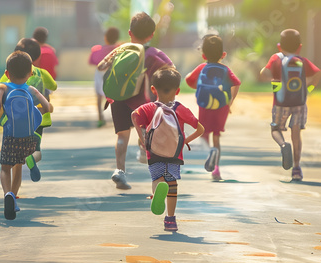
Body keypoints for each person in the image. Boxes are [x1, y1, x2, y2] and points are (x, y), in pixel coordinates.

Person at [96, 12, 174, 190]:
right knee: (145, 129)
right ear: (151, 35)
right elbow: (172, 69)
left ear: (130, 32)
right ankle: (143, 149)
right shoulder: (154, 53)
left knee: (122, 136)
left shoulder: (122, 49)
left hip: (117, 98)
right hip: (143, 100)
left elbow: (101, 66)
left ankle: (119, 170)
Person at [131, 67, 204, 232]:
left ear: (153, 89)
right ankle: (170, 219)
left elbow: (134, 116)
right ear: (177, 90)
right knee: (172, 184)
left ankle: (157, 190)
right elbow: (200, 129)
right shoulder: (180, 109)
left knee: (157, 177)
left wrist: (142, 138)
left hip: (154, 151)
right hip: (174, 152)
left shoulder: (149, 107)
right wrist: (185, 141)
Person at [0, 51, 53, 220]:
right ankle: (15, 197)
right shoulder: (31, 89)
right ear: (30, 74)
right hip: (27, 136)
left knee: (5, 167)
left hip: (10, 136)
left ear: (6, 73)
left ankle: (7, 194)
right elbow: (48, 107)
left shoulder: (3, 87)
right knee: (19, 165)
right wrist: (38, 109)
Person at [259, 28, 321, 182]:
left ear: (279, 46)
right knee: (296, 134)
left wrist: (275, 82)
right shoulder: (301, 61)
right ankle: (296, 168)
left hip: (280, 103)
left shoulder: (276, 58)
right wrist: (309, 89)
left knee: (275, 129)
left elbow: (263, 73)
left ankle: (282, 144)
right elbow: (317, 73)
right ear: (299, 47)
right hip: (300, 102)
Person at [185, 34, 241, 181]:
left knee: (204, 133)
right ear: (223, 54)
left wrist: (196, 85)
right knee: (216, 136)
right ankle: (216, 169)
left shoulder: (202, 67)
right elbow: (237, 83)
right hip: (221, 105)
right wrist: (230, 102)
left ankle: (209, 152)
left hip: (205, 105)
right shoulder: (226, 69)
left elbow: (188, 79)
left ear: (203, 55)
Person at [0, 38, 56, 182]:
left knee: (13, 154)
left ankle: (11, 191)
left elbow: (1, 91)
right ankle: (31, 157)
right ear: (37, 57)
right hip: (38, 120)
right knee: (36, 151)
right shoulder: (41, 73)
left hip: (14, 122)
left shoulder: (7, 75)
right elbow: (54, 86)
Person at [88, 27, 120, 128]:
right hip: (114, 73)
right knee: (116, 97)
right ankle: (118, 119)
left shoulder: (96, 49)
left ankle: (100, 118)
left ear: (105, 38)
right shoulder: (119, 49)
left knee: (99, 97)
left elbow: (91, 61)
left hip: (100, 74)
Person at [32, 27, 59, 93]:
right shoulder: (51, 51)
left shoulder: (32, 50)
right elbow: (55, 70)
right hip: (49, 85)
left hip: (35, 85)